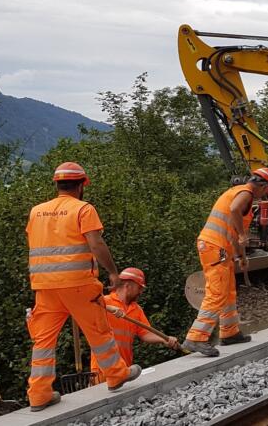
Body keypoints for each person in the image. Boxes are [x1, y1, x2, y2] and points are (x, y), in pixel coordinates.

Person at [25, 162, 141, 412]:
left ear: (57, 184)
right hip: (77, 284)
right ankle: (116, 374)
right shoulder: (83, 209)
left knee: (43, 341)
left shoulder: (36, 211)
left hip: (44, 287)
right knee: (99, 332)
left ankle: (38, 395)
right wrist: (113, 273)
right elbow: (96, 244)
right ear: (81, 186)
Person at [182, 167, 268, 356]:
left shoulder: (239, 193)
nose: (264, 196)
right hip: (215, 247)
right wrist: (242, 235)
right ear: (262, 185)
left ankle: (229, 332)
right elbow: (235, 219)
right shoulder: (245, 193)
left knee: (228, 290)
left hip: (218, 247)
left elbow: (235, 235)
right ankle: (195, 338)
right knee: (217, 292)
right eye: (266, 192)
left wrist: (242, 257)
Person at [90, 268, 179, 382]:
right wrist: (108, 308)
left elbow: (145, 333)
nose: (141, 292)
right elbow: (84, 309)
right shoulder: (105, 302)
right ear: (128, 285)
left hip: (124, 369)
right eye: (139, 288)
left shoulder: (136, 310)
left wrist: (163, 339)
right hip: (101, 369)